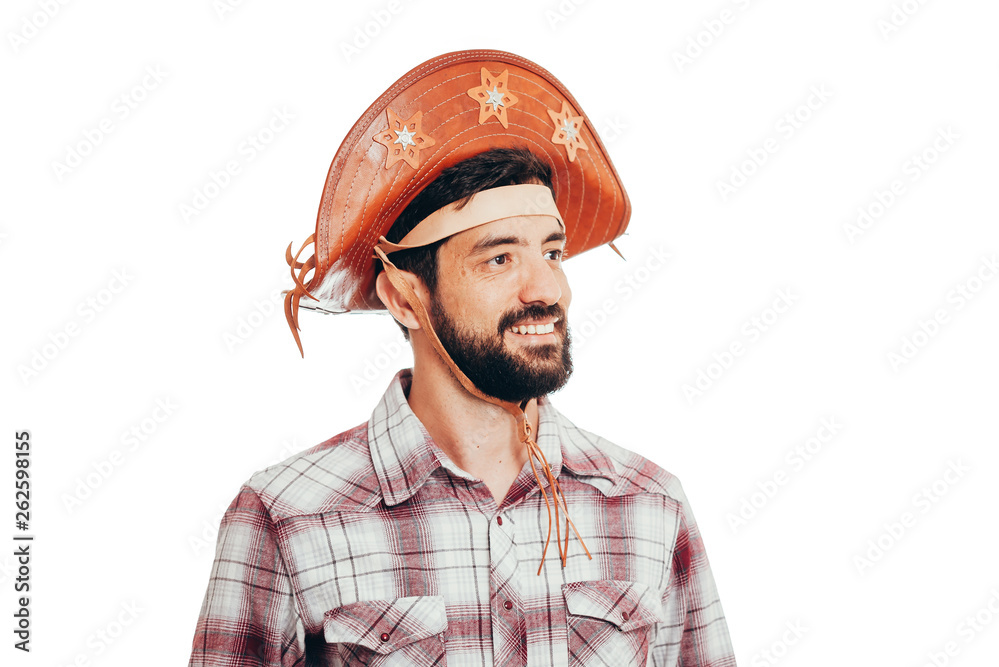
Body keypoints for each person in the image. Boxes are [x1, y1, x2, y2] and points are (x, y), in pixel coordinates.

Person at [189, 50, 736, 666]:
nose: (546, 290)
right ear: (405, 295)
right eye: (499, 258)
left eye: (551, 254)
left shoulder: (649, 506)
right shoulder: (287, 518)